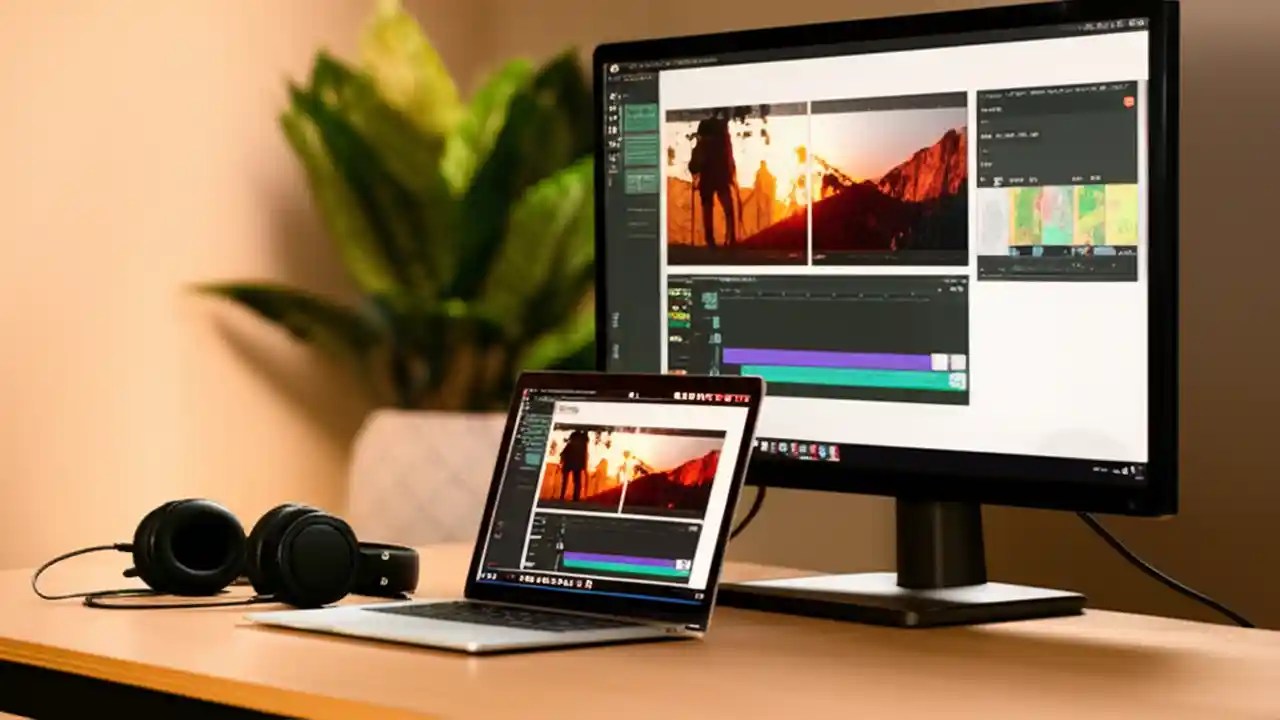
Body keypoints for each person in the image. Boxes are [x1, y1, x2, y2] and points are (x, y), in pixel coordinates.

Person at [688, 111, 736, 248]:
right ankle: (726, 238)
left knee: (712, 208)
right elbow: (728, 155)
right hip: (717, 176)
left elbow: (694, 165)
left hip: (714, 176)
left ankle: (716, 240)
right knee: (724, 208)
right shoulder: (720, 135)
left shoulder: (708, 138)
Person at [559, 429, 589, 502]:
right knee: (575, 481)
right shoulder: (581, 439)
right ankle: (573, 497)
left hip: (574, 462)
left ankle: (571, 496)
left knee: (573, 481)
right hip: (575, 462)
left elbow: (563, 453)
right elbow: (564, 452)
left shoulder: (580, 438)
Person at [753, 160, 775, 231]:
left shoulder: (767, 174)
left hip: (767, 196)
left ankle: (768, 226)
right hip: (760, 196)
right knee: (760, 213)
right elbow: (756, 184)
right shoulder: (759, 173)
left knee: (767, 212)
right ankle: (760, 228)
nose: (762, 166)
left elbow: (771, 183)